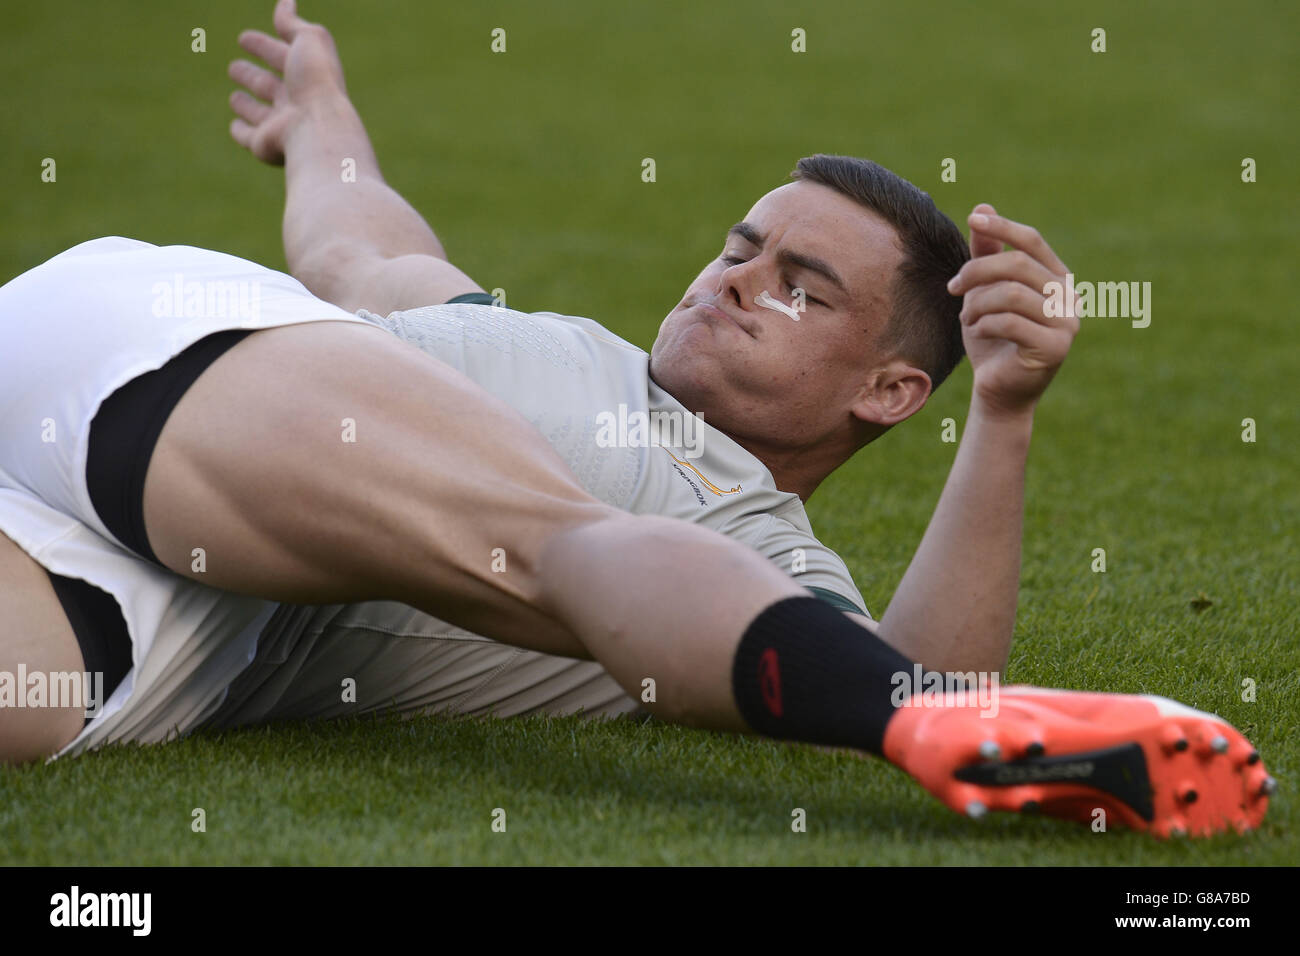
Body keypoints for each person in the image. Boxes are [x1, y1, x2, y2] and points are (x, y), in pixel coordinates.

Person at [0, 0, 1271, 838]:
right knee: (550, 536)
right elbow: (360, 243)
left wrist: (1003, 407)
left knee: (34, 704)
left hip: (164, 612)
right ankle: (906, 719)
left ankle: (912, 717)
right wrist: (321, 119)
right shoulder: (528, 345)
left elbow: (934, 655)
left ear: (887, 390)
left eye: (797, 286)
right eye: (741, 244)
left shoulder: (767, 566)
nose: (732, 277)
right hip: (148, 356)